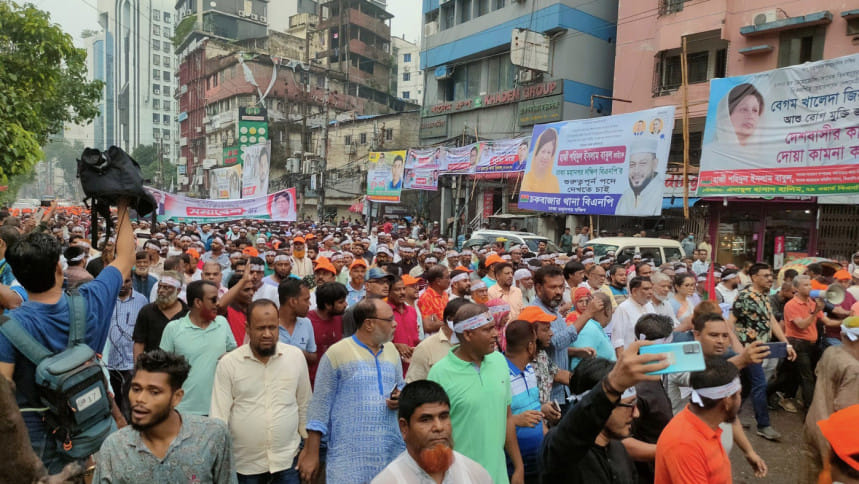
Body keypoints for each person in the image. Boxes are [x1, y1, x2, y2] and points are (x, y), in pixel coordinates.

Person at [0, 199, 134, 473]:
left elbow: (4, 399)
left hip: (39, 453)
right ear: (59, 269)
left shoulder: (8, 330)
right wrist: (123, 204)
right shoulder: (92, 299)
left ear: (18, 277)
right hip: (91, 439)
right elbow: (126, 257)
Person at [297, 298, 405, 484]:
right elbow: (320, 406)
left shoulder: (392, 352)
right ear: (369, 324)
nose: (395, 324)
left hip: (389, 454)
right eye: (389, 320)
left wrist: (401, 397)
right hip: (348, 460)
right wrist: (311, 453)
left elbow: (400, 386)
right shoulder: (337, 353)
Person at [93, 350, 236, 484]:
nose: (140, 399)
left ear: (176, 397)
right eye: (136, 389)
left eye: (154, 392)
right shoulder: (115, 448)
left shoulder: (212, 436)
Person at [211, 299, 311, 484]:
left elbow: (304, 405)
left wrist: (308, 449)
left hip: (288, 462)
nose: (267, 334)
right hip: (245, 466)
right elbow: (219, 418)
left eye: (272, 327)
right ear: (248, 328)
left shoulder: (295, 357)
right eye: (260, 328)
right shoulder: (229, 364)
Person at [539, 341, 670, 483]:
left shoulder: (619, 450)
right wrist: (611, 386)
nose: (636, 414)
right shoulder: (562, 451)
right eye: (629, 405)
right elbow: (572, 435)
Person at [428, 303, 525, 484]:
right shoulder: (440, 374)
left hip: (498, 477)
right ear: (467, 334)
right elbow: (432, 436)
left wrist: (518, 467)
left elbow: (507, 417)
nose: (495, 334)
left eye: (494, 328)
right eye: (487, 330)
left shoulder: (498, 361)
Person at [371, 380, 492, 484]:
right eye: (425, 420)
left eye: (444, 416)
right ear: (404, 427)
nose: (439, 427)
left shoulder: (475, 474)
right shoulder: (388, 480)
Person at [729, 262, 796, 441]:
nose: (770, 279)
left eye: (770, 275)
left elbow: (772, 321)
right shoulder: (744, 296)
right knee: (759, 384)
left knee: (747, 385)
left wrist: (786, 343)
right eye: (765, 276)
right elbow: (730, 323)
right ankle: (764, 425)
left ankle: (729, 416)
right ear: (753, 277)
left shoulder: (765, 296)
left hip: (762, 349)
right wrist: (737, 349)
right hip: (749, 351)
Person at [654, 357, 741, 483]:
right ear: (727, 401)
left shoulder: (706, 426)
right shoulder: (685, 445)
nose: (740, 400)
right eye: (738, 394)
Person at [159, 280, 237, 416]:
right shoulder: (173, 329)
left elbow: (234, 355)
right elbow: (161, 370)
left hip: (219, 409)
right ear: (198, 302)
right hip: (182, 411)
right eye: (213, 300)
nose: (217, 303)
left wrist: (229, 356)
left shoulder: (222, 323)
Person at [802, 321, 859, 482]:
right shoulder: (854, 370)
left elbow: (817, 372)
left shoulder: (831, 352)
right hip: (832, 443)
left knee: (808, 475)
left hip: (813, 426)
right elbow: (848, 412)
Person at [528, 265, 583, 409]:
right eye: (553, 287)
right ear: (539, 288)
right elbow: (556, 343)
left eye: (561, 287)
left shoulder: (554, 311)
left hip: (563, 391)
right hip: (549, 398)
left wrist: (576, 352)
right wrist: (588, 315)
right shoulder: (535, 312)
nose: (559, 292)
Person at [504, 320, 545, 482]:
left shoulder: (529, 369)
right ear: (530, 346)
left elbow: (533, 409)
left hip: (539, 458)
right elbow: (487, 420)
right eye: (535, 342)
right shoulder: (501, 375)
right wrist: (515, 420)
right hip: (515, 465)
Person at [106, 276, 149, 421]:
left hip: (131, 362)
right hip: (109, 363)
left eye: (127, 281)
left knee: (131, 403)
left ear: (132, 282)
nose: (123, 285)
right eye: (120, 281)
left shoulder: (142, 300)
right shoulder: (106, 299)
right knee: (113, 403)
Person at [406, 298, 470, 383]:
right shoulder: (425, 348)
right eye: (463, 319)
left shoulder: (473, 343)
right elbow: (414, 384)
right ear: (449, 320)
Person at [132, 272, 189, 361]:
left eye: (166, 287)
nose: (161, 290)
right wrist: (138, 368)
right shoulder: (147, 311)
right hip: (153, 366)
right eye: (160, 286)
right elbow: (139, 343)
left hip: (180, 367)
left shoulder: (187, 313)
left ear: (178, 290)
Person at [306, 282, 348, 385]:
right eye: (341, 302)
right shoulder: (307, 321)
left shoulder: (340, 318)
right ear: (328, 305)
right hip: (312, 383)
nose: (345, 304)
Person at [609, 276, 656, 355]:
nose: (650, 292)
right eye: (646, 289)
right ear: (634, 291)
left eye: (651, 288)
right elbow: (618, 339)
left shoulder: (649, 306)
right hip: (631, 355)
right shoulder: (623, 308)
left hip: (650, 352)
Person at [616, 139, 663, 216]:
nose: (636, 171)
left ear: (654, 164)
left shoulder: (661, 192)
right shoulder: (626, 196)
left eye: (642, 163)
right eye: (632, 164)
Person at [520, 127, 560, 193]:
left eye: (549, 152)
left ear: (552, 156)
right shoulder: (527, 179)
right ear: (536, 153)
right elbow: (525, 201)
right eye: (543, 151)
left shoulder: (554, 181)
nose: (545, 157)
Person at [417, 265, 450, 335]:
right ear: (438, 281)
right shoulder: (426, 298)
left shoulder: (445, 294)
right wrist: (448, 324)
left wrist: (440, 323)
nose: (449, 281)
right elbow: (427, 326)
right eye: (447, 278)